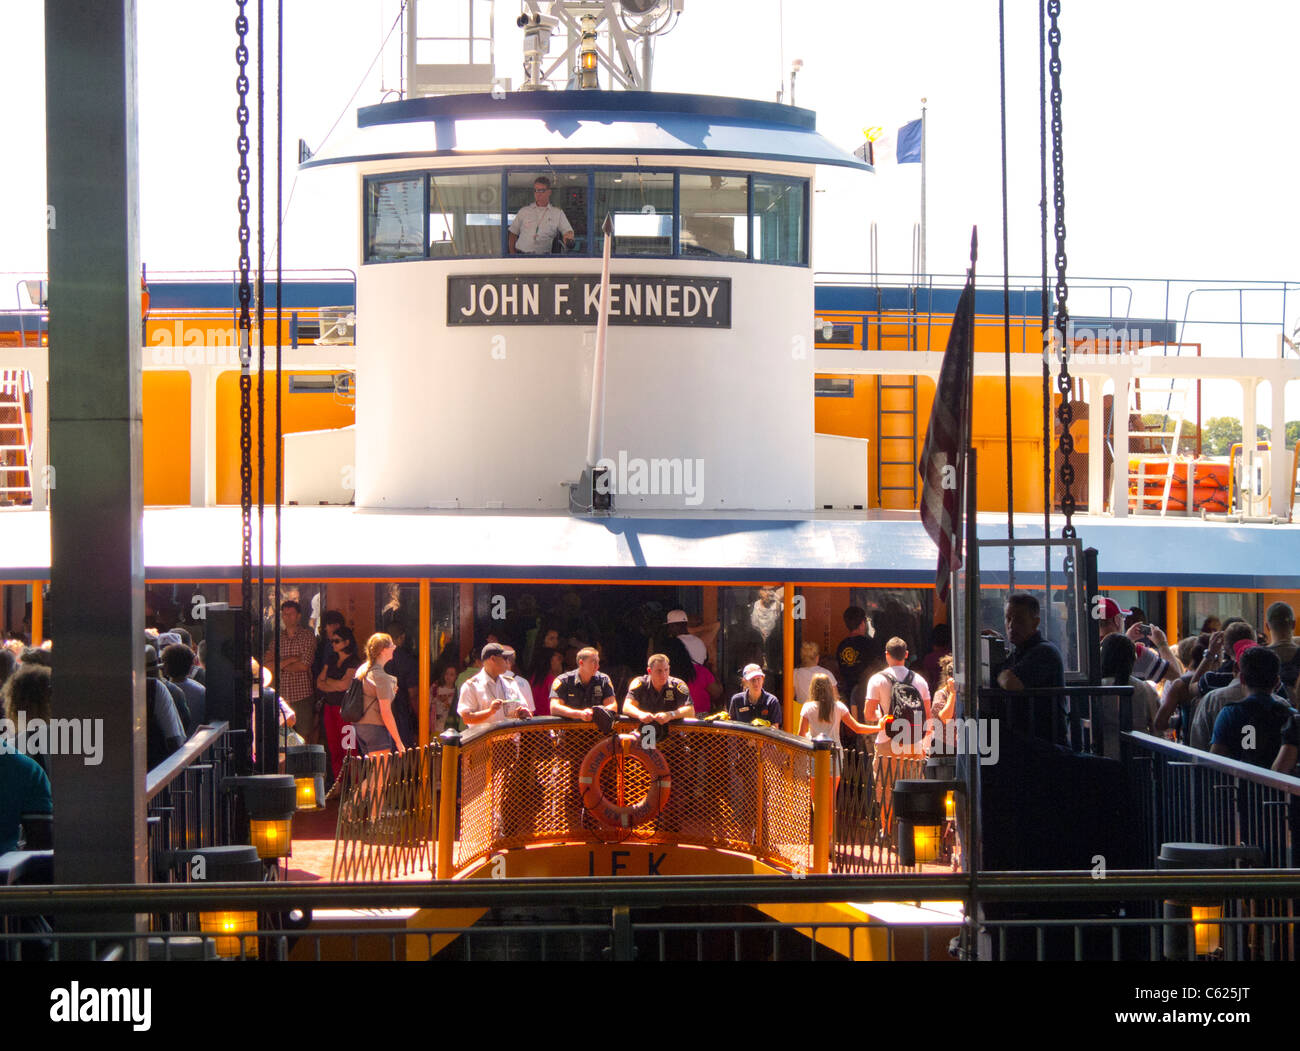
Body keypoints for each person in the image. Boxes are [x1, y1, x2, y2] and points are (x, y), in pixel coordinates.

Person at [995, 592, 1067, 745]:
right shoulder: (1020, 652)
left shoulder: (1044, 652)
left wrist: (1001, 672)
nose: (1011, 625)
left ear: (1035, 623)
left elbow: (1011, 683)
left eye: (1019, 620)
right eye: (1008, 618)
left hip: (1044, 746)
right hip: (1027, 741)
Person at [1211, 647, 1298, 768]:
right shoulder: (1291, 717)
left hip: (1240, 783)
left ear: (1241, 678)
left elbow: (1217, 758)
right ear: (1277, 682)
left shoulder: (1230, 713)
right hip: (1280, 785)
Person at [798, 672, 875, 784]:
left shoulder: (808, 707)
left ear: (813, 688)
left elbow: (801, 734)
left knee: (815, 797)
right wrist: (879, 727)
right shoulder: (839, 707)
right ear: (830, 688)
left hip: (814, 754)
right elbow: (857, 728)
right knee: (832, 797)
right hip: (834, 754)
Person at [863, 637, 932, 757]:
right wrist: (925, 744)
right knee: (913, 776)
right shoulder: (920, 681)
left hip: (887, 740)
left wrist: (881, 716)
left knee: (885, 776)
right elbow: (928, 716)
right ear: (906, 654)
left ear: (886, 654)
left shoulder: (877, 680)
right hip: (914, 743)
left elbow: (868, 714)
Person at [266, 599, 317, 744]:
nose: (287, 617)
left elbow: (304, 665)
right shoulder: (277, 639)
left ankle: (303, 765)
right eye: (284, 614)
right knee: (281, 737)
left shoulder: (307, 636)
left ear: (299, 616)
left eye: (291, 614)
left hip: (302, 694)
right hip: (281, 694)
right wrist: (291, 659)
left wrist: (279, 662)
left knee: (304, 734)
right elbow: (268, 667)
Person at [318, 626, 361, 794]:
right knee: (334, 747)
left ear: (347, 642)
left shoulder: (354, 662)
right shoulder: (331, 659)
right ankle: (339, 784)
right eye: (332, 641)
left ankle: (356, 785)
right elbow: (319, 682)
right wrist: (333, 685)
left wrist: (329, 683)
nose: (333, 644)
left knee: (350, 748)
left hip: (346, 711)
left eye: (336, 641)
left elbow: (345, 685)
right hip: (330, 708)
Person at [353, 633, 406, 754]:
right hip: (375, 727)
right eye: (392, 644)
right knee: (381, 772)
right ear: (383, 650)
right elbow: (386, 712)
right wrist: (398, 741)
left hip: (361, 726)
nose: (395, 647)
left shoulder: (362, 669)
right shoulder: (381, 677)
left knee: (372, 769)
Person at [458, 642, 533, 728]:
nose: (508, 662)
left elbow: (527, 711)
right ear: (493, 659)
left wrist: (525, 713)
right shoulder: (472, 686)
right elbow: (467, 718)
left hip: (511, 740)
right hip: (485, 740)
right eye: (504, 658)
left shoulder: (511, 683)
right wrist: (490, 712)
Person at [623, 653, 694, 731]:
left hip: (673, 734)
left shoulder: (678, 685)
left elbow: (690, 711)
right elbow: (627, 707)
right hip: (646, 732)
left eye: (666, 670)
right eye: (659, 671)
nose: (663, 674)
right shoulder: (640, 683)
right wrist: (640, 714)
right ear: (649, 671)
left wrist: (670, 715)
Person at [508, 176, 574, 255]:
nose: (538, 194)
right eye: (536, 190)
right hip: (521, 256)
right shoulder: (524, 211)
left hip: (543, 259)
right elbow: (513, 234)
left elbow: (568, 231)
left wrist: (568, 237)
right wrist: (513, 255)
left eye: (541, 190)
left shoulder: (557, 213)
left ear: (549, 192)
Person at [549, 646, 617, 722]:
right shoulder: (563, 680)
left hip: (597, 731)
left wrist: (594, 713)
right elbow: (554, 708)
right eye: (593, 662)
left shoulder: (603, 680)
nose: (597, 666)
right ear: (581, 663)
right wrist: (580, 714)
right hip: (570, 731)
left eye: (598, 662)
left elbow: (613, 706)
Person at [835, 605, 877, 700]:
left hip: (848, 692)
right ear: (862, 623)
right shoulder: (869, 644)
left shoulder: (841, 645)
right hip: (867, 692)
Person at [161, 643, 206, 729]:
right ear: (190, 666)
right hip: (197, 738)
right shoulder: (201, 690)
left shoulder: (163, 690)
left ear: (165, 667)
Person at [793, 640, 835, 706]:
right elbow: (835, 697)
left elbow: (790, 697)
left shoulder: (795, 673)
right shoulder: (826, 673)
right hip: (823, 713)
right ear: (817, 658)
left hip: (801, 712)